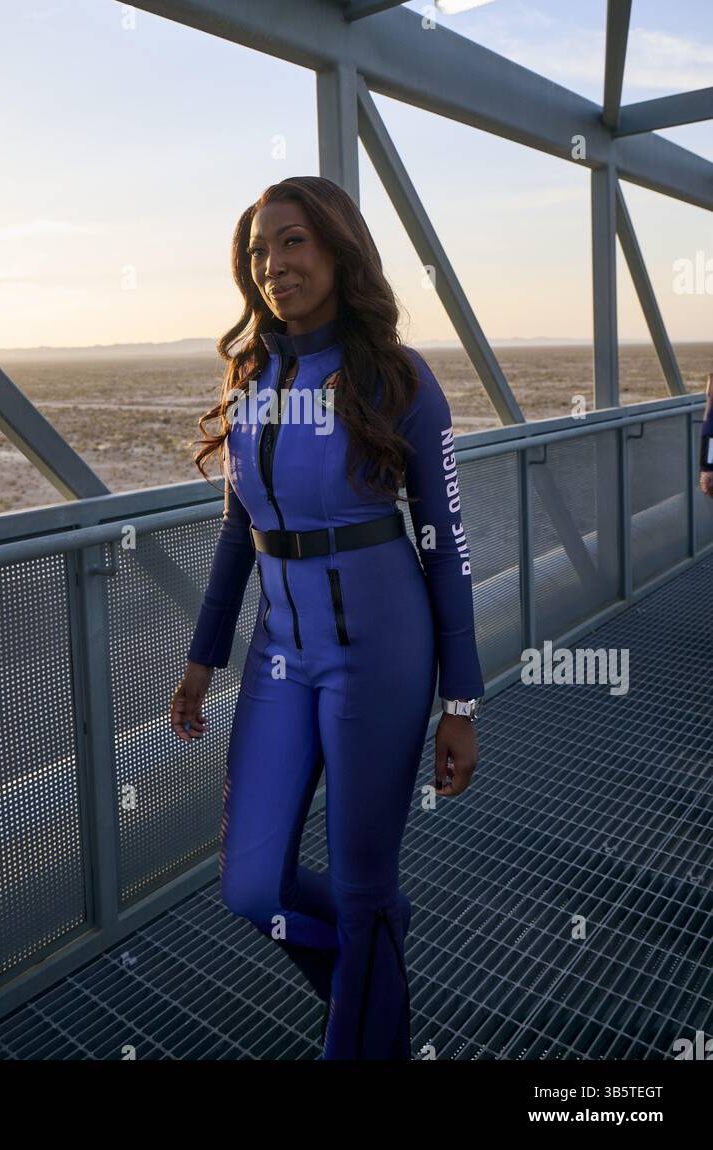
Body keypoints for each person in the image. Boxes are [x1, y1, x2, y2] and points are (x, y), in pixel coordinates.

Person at [170, 176, 485, 1061]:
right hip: (280, 654)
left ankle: (362, 1022)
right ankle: (370, 949)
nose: (275, 264)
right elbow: (241, 529)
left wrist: (461, 703)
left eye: (295, 241)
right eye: (260, 250)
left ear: (339, 250)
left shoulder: (398, 379)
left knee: (359, 884)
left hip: (381, 651)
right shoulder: (252, 377)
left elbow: (446, 544)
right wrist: (205, 659)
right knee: (249, 885)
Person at [700, 373, 713, 500]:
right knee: (709, 405)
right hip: (707, 434)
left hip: (709, 436)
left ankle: (711, 379)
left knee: (710, 405)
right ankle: (711, 379)